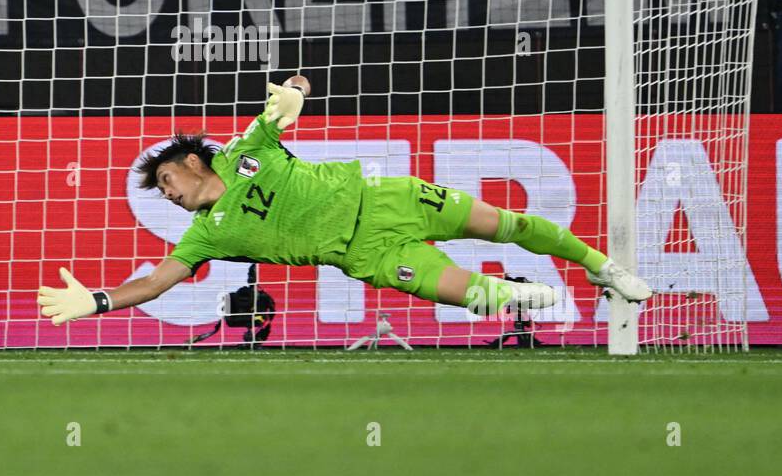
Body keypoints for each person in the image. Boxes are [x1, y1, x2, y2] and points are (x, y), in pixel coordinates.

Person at [37, 75, 652, 326]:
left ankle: (602, 267)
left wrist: (294, 90)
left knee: (508, 223)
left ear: (190, 164)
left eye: (166, 183)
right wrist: (95, 300)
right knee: (471, 293)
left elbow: (288, 99)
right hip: (366, 253)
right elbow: (156, 283)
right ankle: (515, 296)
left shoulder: (246, 147)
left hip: (389, 199)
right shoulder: (206, 235)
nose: (167, 197)